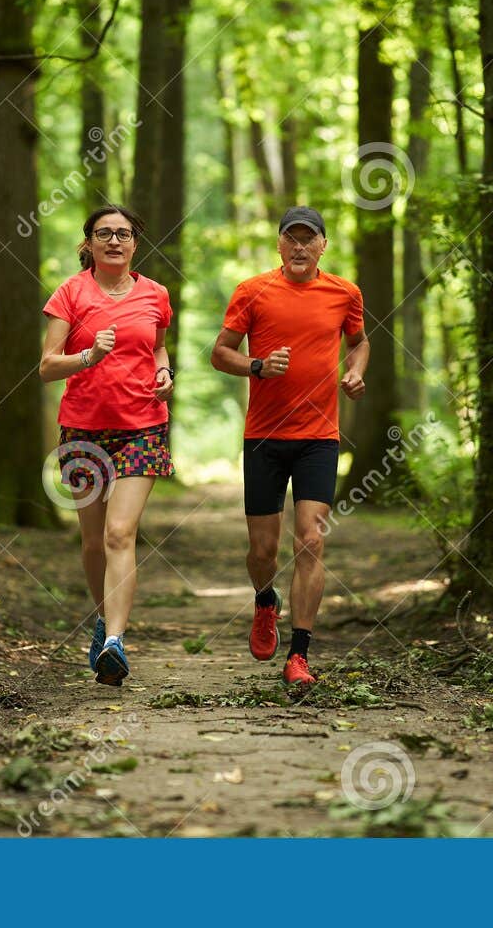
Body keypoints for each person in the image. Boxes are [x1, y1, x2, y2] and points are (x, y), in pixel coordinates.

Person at [210, 205, 368, 687]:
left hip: (319, 438)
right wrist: (256, 366)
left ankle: (299, 654)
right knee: (262, 549)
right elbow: (220, 353)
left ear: (323, 245)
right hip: (263, 436)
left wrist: (356, 370)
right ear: (279, 245)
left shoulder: (344, 292)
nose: (299, 246)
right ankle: (264, 599)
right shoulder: (252, 291)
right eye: (290, 238)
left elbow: (359, 342)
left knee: (312, 540)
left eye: (309, 239)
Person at [39, 205, 175, 686]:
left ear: (136, 242)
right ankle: (102, 619)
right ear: (89, 244)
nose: (114, 240)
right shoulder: (70, 294)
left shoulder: (155, 294)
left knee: (120, 533)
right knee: (94, 540)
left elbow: (156, 346)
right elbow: (47, 366)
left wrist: (164, 371)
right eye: (104, 234)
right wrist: (88, 355)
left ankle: (116, 640)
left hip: (142, 426)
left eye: (123, 233)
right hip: (84, 430)